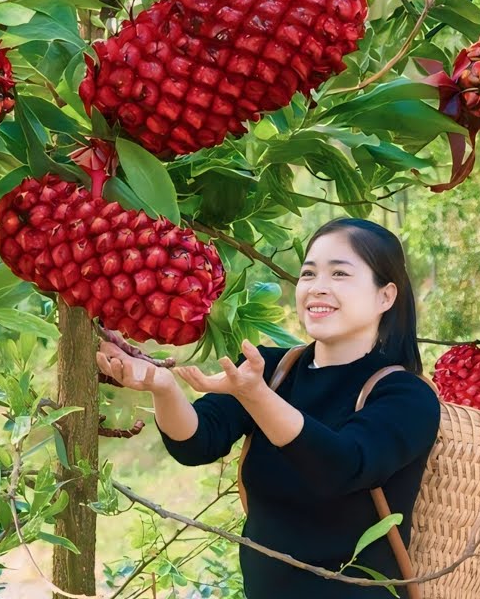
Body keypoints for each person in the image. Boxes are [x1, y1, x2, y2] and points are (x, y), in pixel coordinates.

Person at [96, 217, 441, 598]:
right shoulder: (275, 370)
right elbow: (197, 442)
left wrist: (258, 397)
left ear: (385, 296)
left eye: (340, 274)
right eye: (308, 275)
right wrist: (162, 388)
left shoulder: (405, 395)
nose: (317, 288)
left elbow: (341, 467)